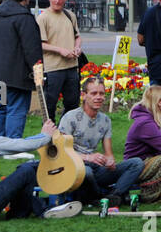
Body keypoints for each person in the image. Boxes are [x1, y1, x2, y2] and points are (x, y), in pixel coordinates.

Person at [61, 76, 143, 208]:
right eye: (93, 93)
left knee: (136, 163)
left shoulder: (105, 120)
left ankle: (114, 195)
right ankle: (98, 196)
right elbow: (61, 151)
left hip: (96, 169)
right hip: (75, 167)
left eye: (101, 93)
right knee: (86, 172)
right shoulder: (70, 118)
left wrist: (109, 160)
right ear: (83, 95)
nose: (98, 97)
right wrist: (88, 157)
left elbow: (108, 153)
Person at [0, 0, 43, 138]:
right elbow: (32, 49)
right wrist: (38, 72)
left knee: (0, 107)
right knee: (16, 109)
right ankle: (12, 145)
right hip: (16, 76)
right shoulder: (24, 17)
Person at [37, 0, 83, 119]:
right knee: (49, 105)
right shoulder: (43, 18)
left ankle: (66, 132)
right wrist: (60, 50)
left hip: (71, 67)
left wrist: (77, 47)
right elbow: (40, 44)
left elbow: (77, 36)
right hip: (53, 69)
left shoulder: (70, 16)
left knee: (72, 104)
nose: (58, 1)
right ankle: (49, 136)